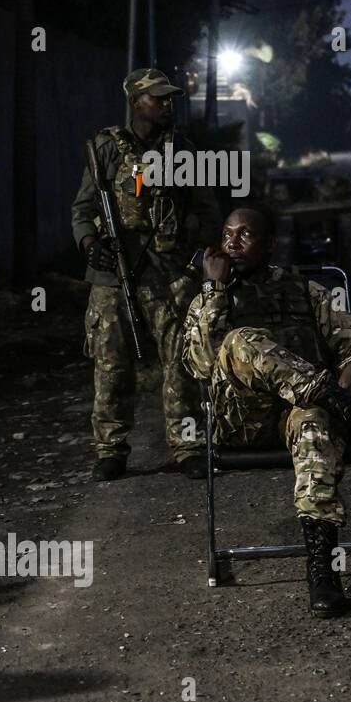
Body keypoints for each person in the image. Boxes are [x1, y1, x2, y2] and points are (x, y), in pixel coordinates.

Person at [181, 205, 351, 618]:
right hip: (242, 419)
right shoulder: (208, 296)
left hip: (298, 413)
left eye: (246, 235)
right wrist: (214, 292)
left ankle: (322, 571)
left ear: (270, 245)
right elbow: (199, 364)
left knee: (315, 425)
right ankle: (349, 410)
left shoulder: (304, 291)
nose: (232, 242)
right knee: (241, 340)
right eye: (228, 234)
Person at [71, 68, 221, 482]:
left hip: (170, 274)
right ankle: (110, 450)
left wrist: (195, 259)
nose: (167, 104)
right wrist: (90, 244)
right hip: (114, 274)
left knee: (181, 363)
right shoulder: (106, 149)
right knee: (111, 363)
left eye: (170, 98)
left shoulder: (184, 151)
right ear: (137, 101)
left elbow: (208, 212)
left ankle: (188, 445)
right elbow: (83, 210)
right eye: (158, 98)